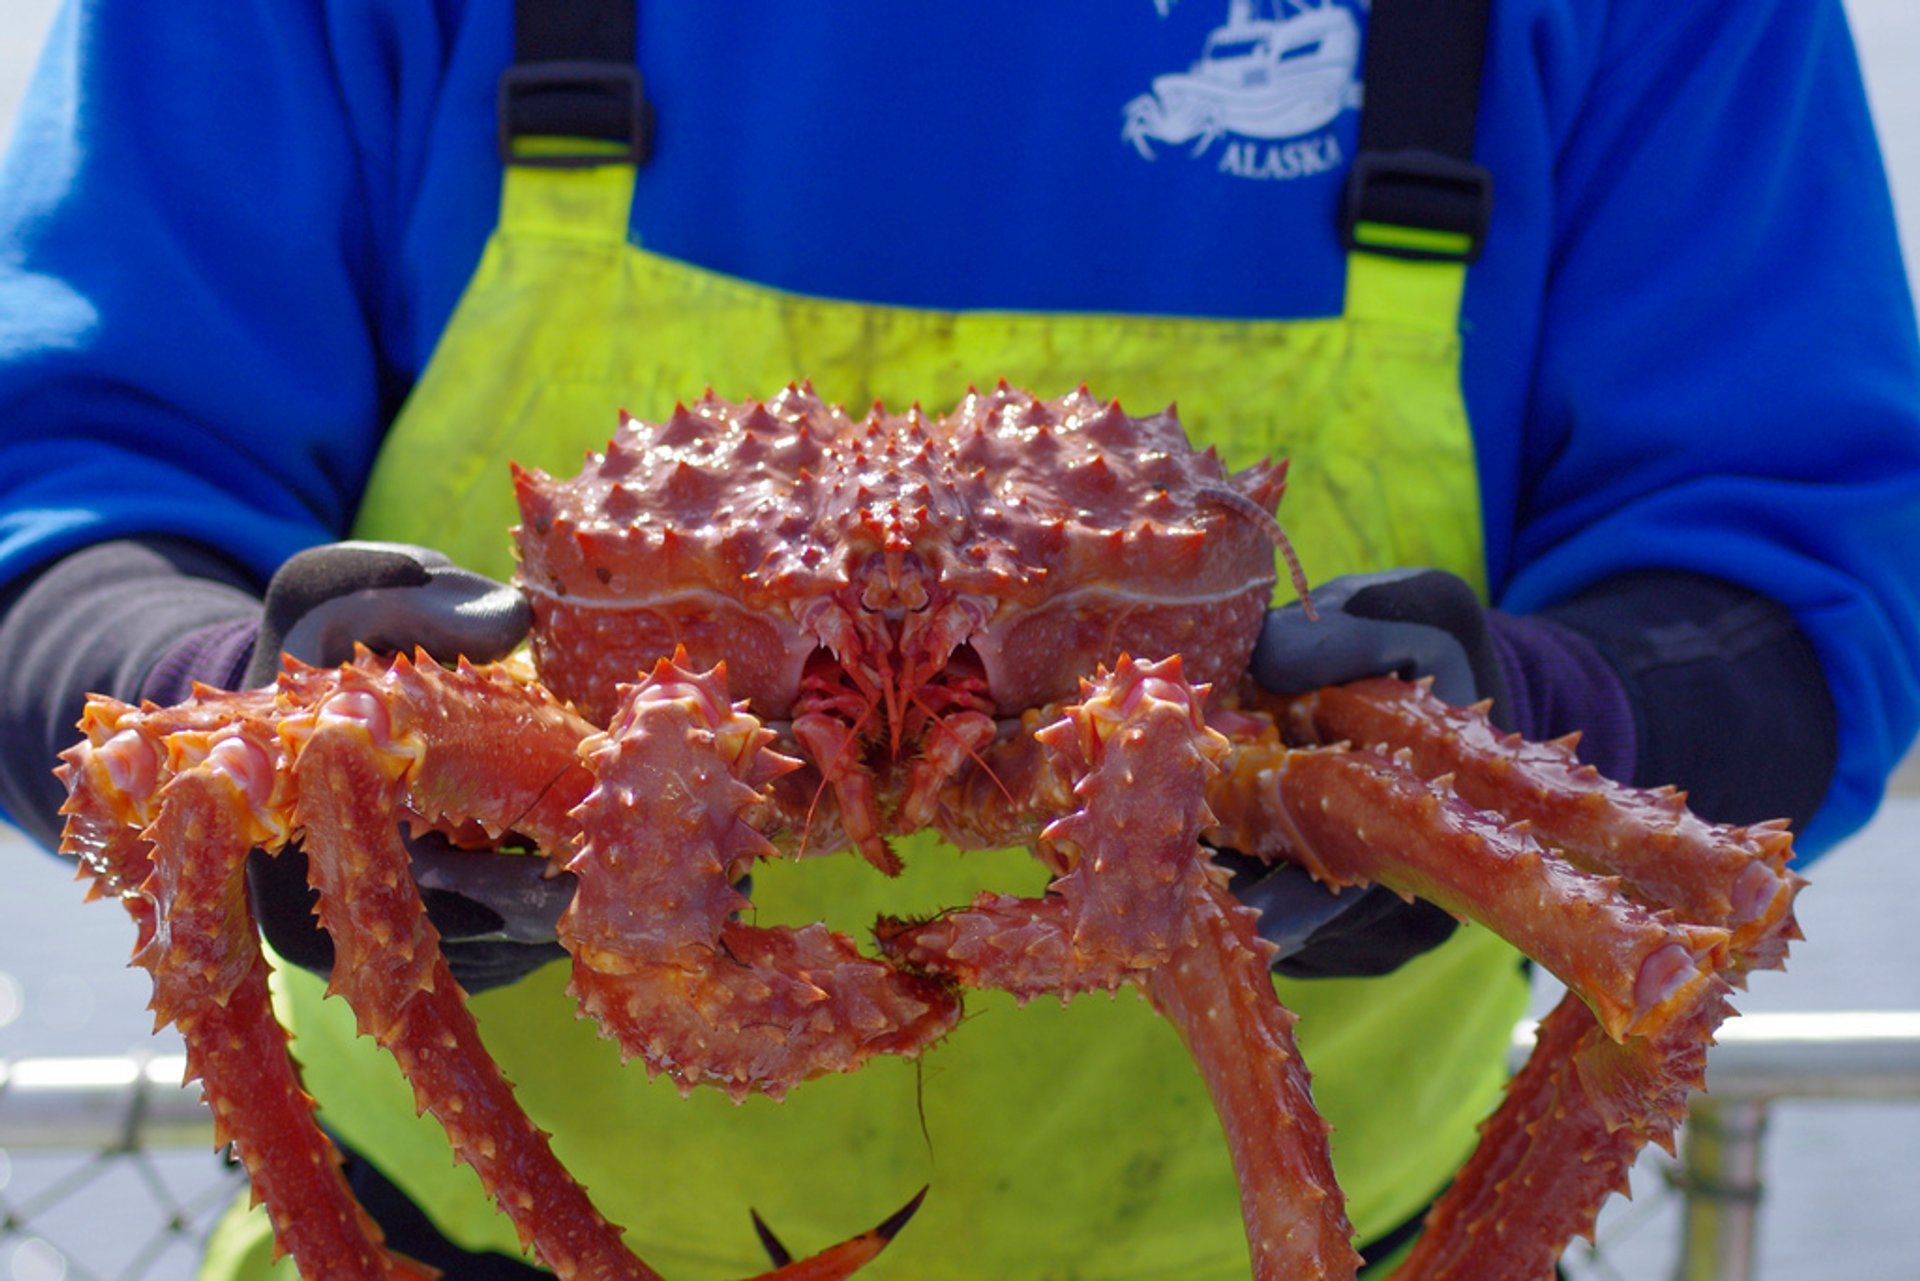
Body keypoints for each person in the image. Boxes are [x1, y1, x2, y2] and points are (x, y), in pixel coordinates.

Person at [2, 1, 1917, 1277]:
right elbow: (64, 492)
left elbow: (1807, 576)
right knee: (226, 779)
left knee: (1667, 954)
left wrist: (1537, 716)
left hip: (1345, 1230)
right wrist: (236, 701)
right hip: (435, 1243)